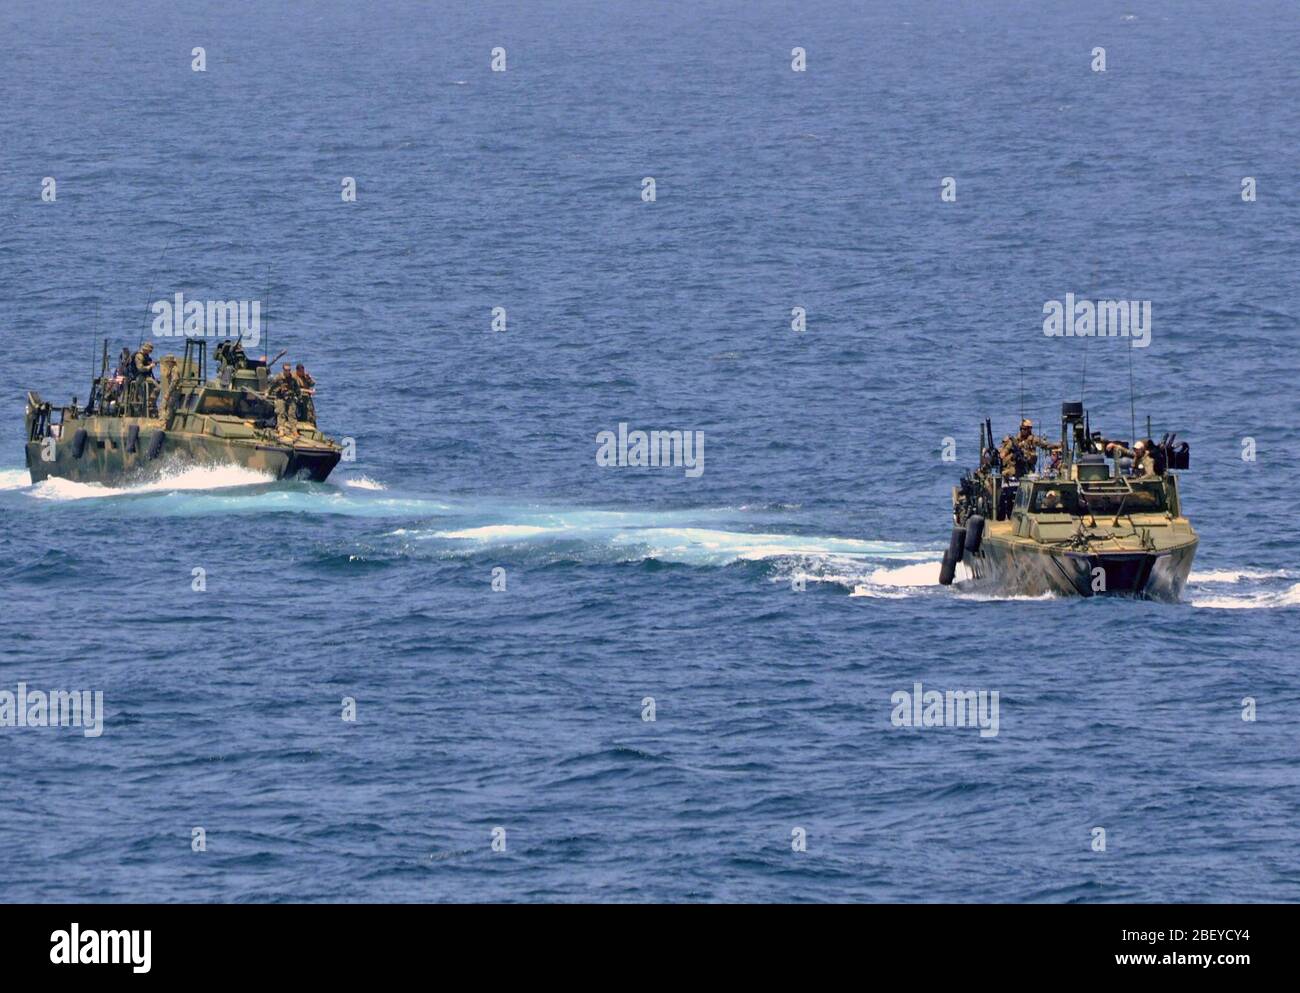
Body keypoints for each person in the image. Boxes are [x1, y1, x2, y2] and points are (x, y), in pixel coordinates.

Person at [268, 362, 300, 439]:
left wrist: (299, 397)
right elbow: (272, 386)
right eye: (286, 370)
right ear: (283, 370)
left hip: (290, 397)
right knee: (281, 412)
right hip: (280, 397)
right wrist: (267, 393)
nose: (287, 371)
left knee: (292, 414)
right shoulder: (279, 377)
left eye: (289, 370)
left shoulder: (293, 379)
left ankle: (294, 430)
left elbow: (297, 388)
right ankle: (281, 429)